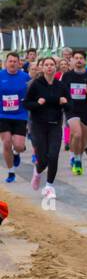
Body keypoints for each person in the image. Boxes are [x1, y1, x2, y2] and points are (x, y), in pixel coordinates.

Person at [23, 57, 69, 197]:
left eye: (52, 65)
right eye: (46, 65)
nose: (49, 67)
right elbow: (26, 104)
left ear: (56, 68)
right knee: (43, 159)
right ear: (42, 68)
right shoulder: (36, 84)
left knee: (54, 156)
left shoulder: (61, 86)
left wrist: (65, 103)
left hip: (55, 125)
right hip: (38, 126)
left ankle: (49, 186)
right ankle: (37, 172)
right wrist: (37, 103)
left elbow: (70, 105)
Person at [62, 50, 87, 175]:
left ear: (84, 61)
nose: (78, 60)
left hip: (85, 109)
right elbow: (61, 90)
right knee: (77, 134)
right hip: (71, 109)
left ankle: (76, 156)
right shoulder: (67, 76)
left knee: (84, 138)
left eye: (81, 58)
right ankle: (76, 159)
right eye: (76, 58)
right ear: (72, 60)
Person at [0, 52, 31, 183]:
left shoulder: (25, 77)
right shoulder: (0, 75)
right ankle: (11, 171)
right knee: (6, 142)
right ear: (6, 63)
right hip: (3, 114)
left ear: (19, 63)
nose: (12, 63)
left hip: (20, 115)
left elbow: (33, 91)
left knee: (18, 146)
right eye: (10, 61)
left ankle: (17, 152)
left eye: (15, 61)